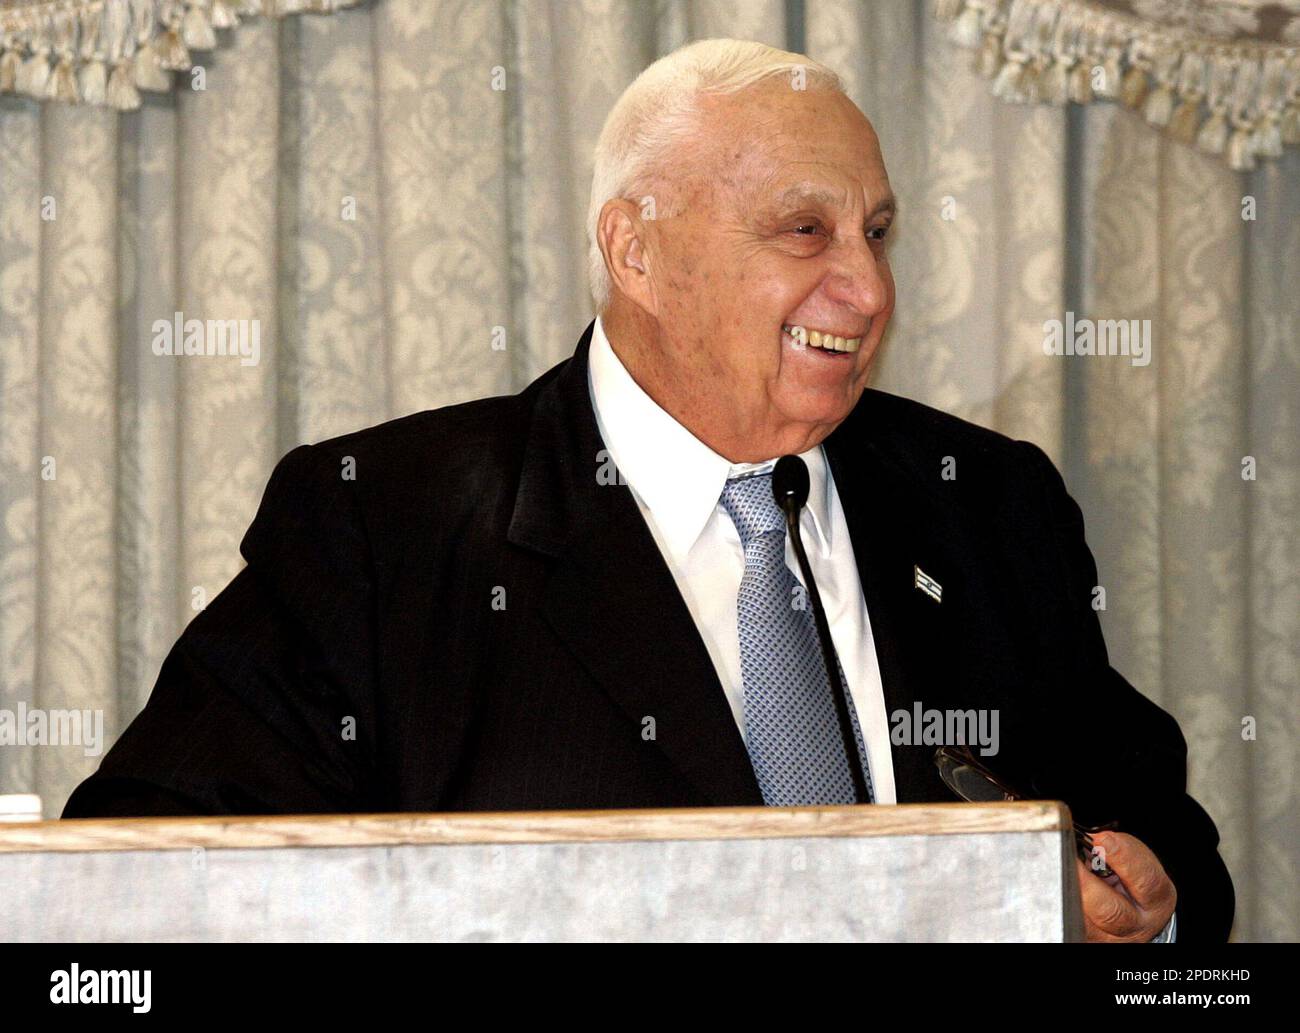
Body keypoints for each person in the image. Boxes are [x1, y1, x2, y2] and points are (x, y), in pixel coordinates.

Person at [63, 39, 1233, 943]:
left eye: (877, 231)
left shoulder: (982, 502)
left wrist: (1150, 913)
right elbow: (143, 873)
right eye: (804, 229)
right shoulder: (382, 524)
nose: (868, 286)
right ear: (636, 250)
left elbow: (1159, 836)